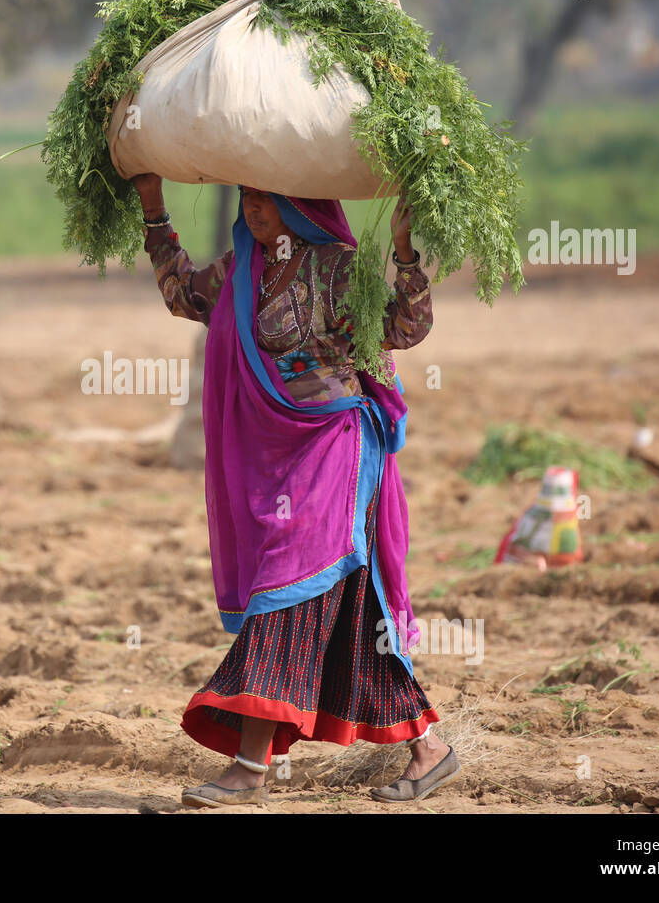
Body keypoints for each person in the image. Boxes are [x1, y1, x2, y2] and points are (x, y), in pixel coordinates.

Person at [129, 172, 461, 807]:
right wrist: (152, 210)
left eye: (266, 199)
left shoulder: (338, 269)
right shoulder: (241, 271)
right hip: (276, 454)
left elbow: (404, 329)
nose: (254, 211)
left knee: (282, 586)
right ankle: (430, 750)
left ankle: (249, 770)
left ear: (298, 205)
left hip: (336, 446)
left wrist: (407, 253)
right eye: (247, 199)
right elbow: (182, 297)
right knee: (356, 611)